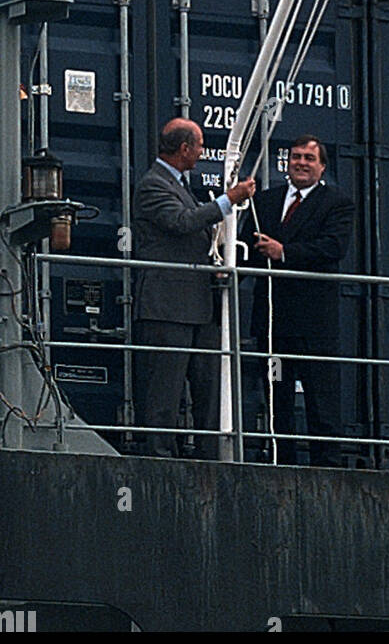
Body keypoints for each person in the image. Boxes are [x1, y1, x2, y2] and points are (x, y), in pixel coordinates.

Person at [132, 118, 255, 458]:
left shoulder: (181, 185)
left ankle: (208, 457)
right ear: (184, 148)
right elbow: (181, 222)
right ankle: (161, 460)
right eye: (199, 145)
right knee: (165, 393)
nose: (201, 152)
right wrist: (227, 201)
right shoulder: (153, 185)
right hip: (167, 307)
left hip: (199, 307)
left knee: (209, 390)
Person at [245, 134, 354, 467]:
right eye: (296, 157)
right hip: (273, 321)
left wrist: (284, 252)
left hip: (314, 324)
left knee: (321, 398)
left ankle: (327, 468)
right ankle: (281, 463)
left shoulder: (336, 202)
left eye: (309, 158)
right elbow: (248, 246)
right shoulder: (264, 201)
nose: (301, 163)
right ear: (286, 162)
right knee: (277, 397)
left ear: (322, 166)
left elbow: (333, 249)